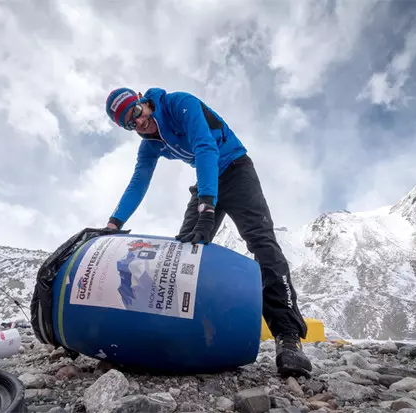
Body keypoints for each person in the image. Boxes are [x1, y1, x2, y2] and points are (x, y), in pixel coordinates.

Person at [103, 87, 312, 377]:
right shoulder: (149, 145)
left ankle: (288, 337)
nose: (137, 122)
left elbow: (205, 146)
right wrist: (113, 223)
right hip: (206, 180)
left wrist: (207, 206)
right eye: (128, 123)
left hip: (236, 170)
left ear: (142, 100)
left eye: (136, 112)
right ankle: (181, 332)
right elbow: (138, 181)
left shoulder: (179, 104)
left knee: (262, 242)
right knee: (184, 253)